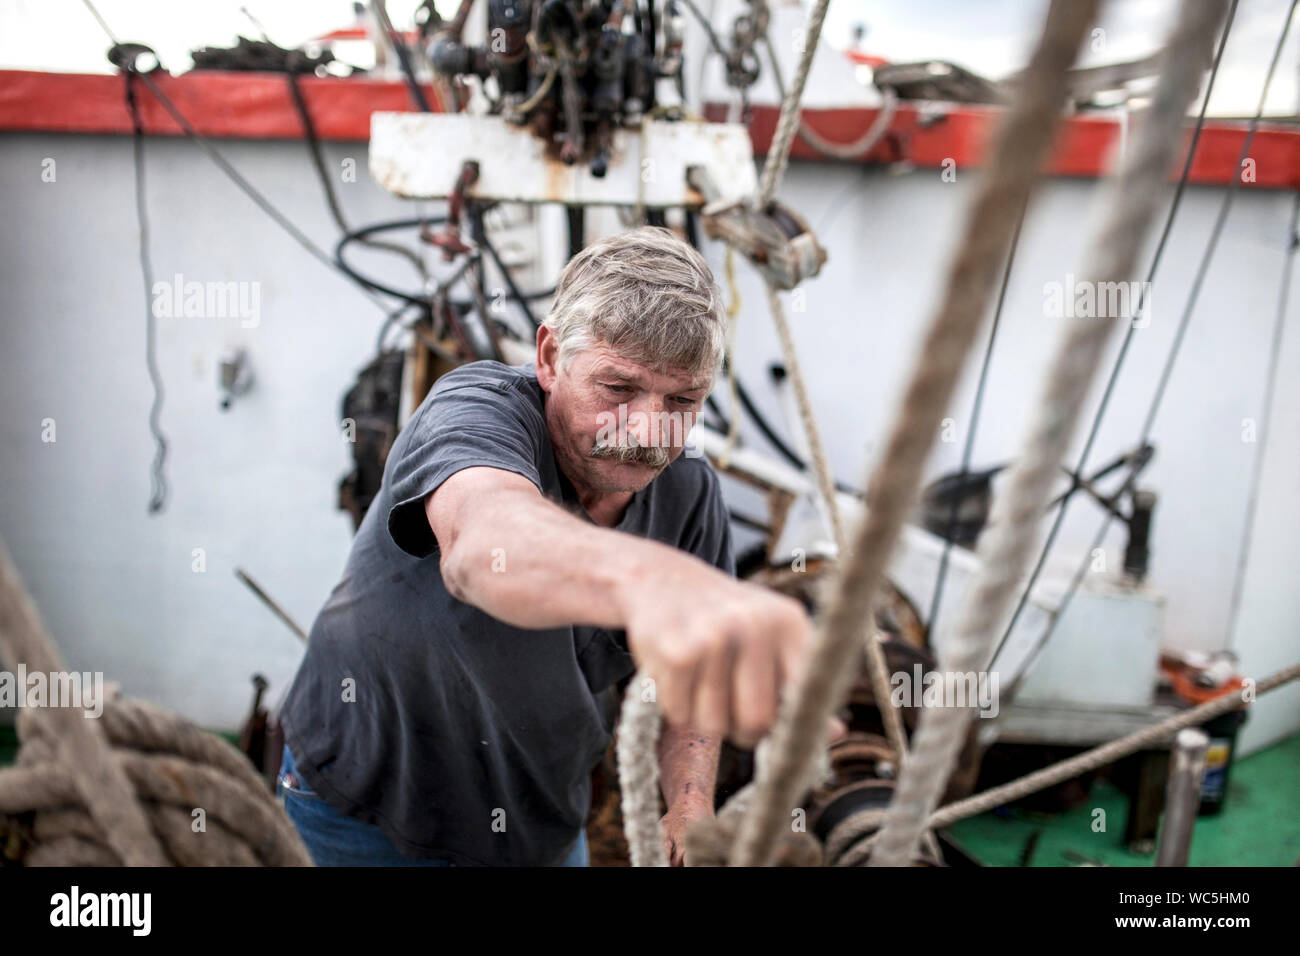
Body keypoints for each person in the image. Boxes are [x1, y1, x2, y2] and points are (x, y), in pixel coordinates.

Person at [277, 225, 818, 866]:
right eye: (617, 389)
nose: (648, 429)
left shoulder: (689, 494)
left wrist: (690, 802)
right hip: (362, 808)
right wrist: (657, 585)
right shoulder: (474, 411)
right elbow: (486, 545)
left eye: (683, 399)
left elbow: (686, 692)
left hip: (538, 822)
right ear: (550, 357)